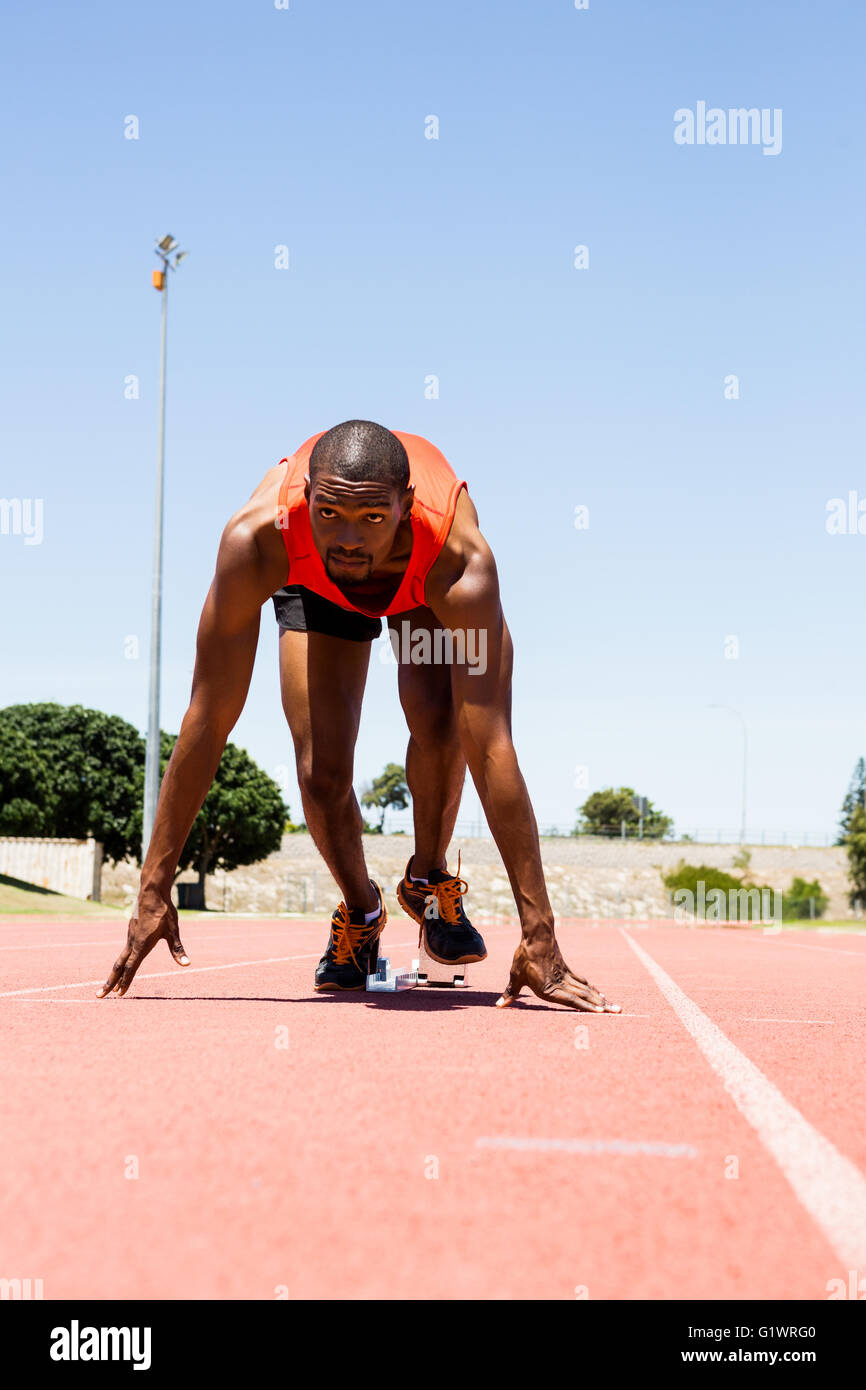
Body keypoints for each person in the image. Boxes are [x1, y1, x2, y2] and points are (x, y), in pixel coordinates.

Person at [98, 420, 620, 1012]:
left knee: (443, 722)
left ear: (404, 506)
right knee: (320, 771)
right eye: (330, 513)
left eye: (372, 517)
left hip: (417, 584)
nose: (348, 537)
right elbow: (209, 714)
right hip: (314, 582)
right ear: (308, 500)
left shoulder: (458, 559)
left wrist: (539, 935)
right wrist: (153, 887)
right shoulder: (259, 540)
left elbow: (493, 744)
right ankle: (363, 911)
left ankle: (427, 882)